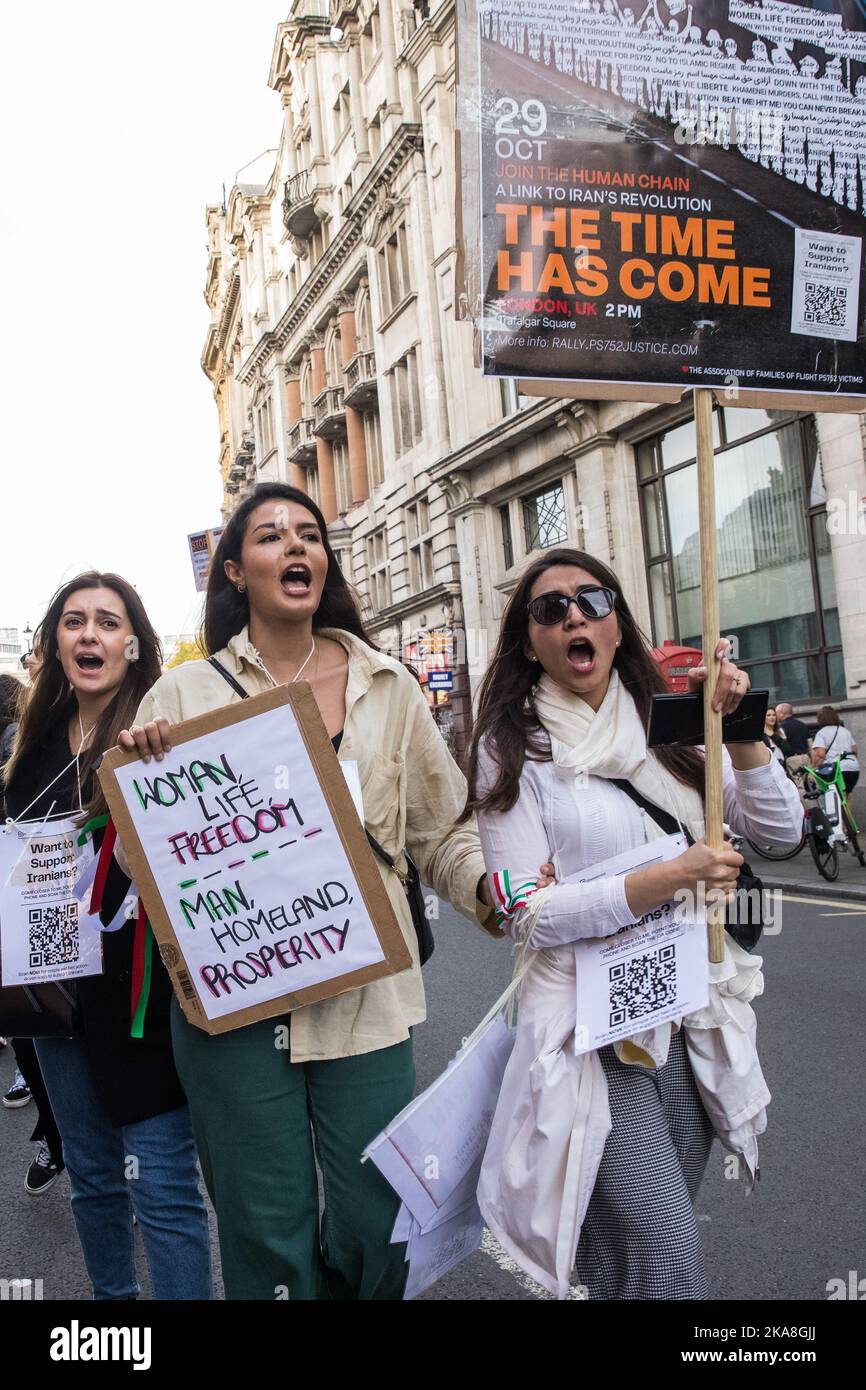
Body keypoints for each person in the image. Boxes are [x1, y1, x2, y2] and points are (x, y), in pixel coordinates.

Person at [117, 482, 552, 1302]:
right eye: (272, 535)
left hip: (367, 1000)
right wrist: (149, 785)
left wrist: (503, 893)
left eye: (310, 535)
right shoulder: (180, 698)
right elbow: (152, 871)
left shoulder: (388, 687)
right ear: (235, 572)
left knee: (377, 1225)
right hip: (236, 1010)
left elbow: (441, 833)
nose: (295, 547)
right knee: (264, 1233)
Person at [464, 548, 802, 1299]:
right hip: (589, 1033)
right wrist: (666, 879)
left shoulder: (674, 723)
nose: (575, 616)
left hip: (687, 1015)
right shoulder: (510, 750)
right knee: (667, 1249)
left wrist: (738, 724)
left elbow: (778, 833)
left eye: (593, 599)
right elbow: (529, 911)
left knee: (639, 1260)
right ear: (530, 642)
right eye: (551, 610)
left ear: (618, 624)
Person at [2, 573, 211, 1299]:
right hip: (56, 1001)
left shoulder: (158, 735)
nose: (89, 634)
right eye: (73, 621)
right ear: (54, 642)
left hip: (143, 1002)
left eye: (107, 622)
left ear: (133, 643)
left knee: (163, 1189)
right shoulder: (30, 748)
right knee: (92, 1181)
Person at [810, 705, 860, 796]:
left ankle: (839, 810)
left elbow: (820, 754)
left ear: (820, 719)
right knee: (846, 795)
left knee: (835, 796)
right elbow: (855, 750)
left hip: (836, 769)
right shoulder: (845, 731)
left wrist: (812, 769)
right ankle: (847, 810)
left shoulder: (822, 733)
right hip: (853, 768)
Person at [776, 701, 812, 786]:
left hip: (793, 759)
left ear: (781, 713)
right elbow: (810, 744)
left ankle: (802, 800)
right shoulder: (802, 724)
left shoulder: (781, 728)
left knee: (799, 786)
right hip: (806, 757)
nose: (775, 716)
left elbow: (782, 745)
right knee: (809, 786)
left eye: (776, 713)